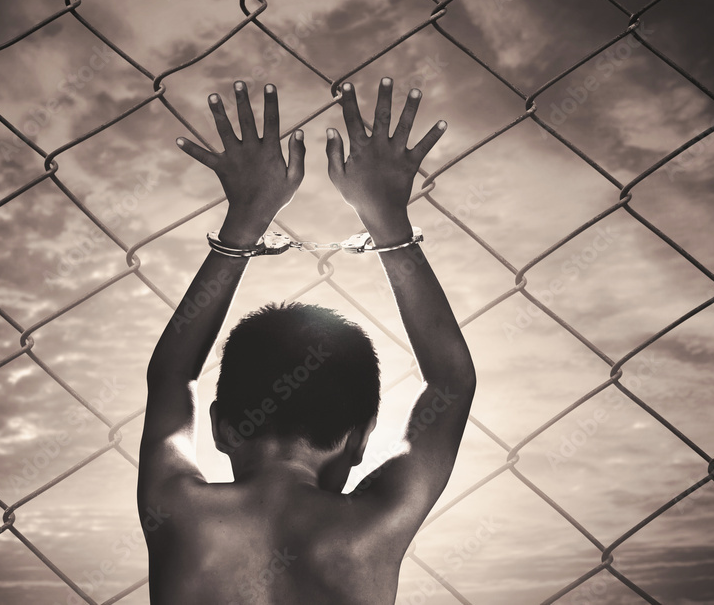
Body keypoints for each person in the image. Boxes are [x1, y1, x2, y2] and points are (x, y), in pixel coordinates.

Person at [138, 76, 476, 604]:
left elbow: (171, 376)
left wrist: (242, 223)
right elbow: (451, 380)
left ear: (222, 427)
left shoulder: (179, 511)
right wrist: (389, 221)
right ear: (361, 437)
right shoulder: (373, 525)